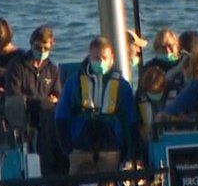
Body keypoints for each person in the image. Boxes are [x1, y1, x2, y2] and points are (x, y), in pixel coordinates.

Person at [55, 36, 139, 175]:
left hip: (110, 145)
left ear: (111, 57)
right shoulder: (74, 82)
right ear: (89, 57)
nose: (100, 62)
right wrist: (68, 149)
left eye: (103, 58)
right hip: (80, 145)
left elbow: (130, 120)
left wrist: (130, 153)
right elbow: (61, 116)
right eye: (95, 58)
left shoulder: (122, 86)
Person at [5, 26, 64, 186]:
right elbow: (14, 95)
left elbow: (58, 94)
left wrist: (51, 100)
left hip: (45, 118)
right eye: (38, 47)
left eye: (46, 48)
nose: (42, 51)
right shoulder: (17, 65)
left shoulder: (52, 68)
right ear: (31, 44)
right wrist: (40, 102)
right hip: (23, 116)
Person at [143, 28, 187, 93]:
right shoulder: (150, 67)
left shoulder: (186, 63)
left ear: (177, 45)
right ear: (157, 49)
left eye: (170, 46)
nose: (167, 50)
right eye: (163, 47)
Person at [133, 66, 168, 144]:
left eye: (156, 92)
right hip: (148, 139)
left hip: (169, 136)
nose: (154, 95)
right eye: (151, 92)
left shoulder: (172, 92)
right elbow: (136, 120)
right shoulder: (140, 96)